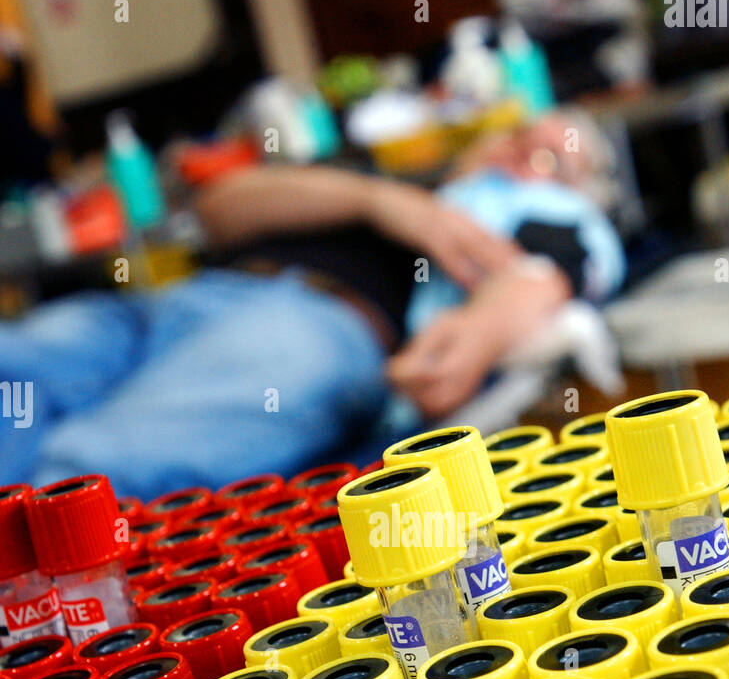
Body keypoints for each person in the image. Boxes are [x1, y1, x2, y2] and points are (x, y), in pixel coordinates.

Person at [0, 112, 624, 497]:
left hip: (315, 325)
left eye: (550, 160)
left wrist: (477, 335)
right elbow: (219, 207)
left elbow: (546, 277)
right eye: (517, 136)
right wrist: (378, 201)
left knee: (84, 474)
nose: (520, 156)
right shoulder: (390, 185)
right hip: (172, 301)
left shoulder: (546, 216)